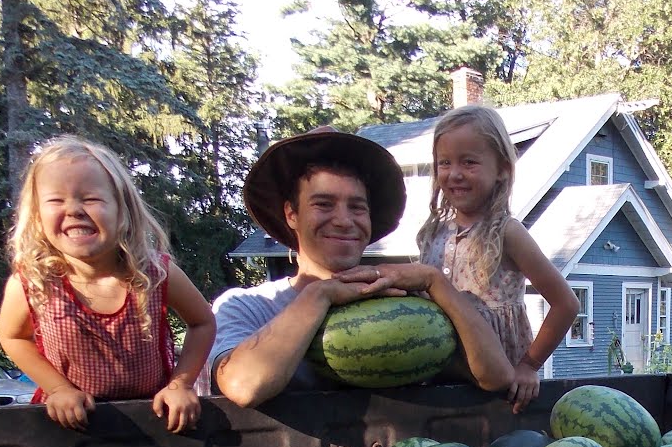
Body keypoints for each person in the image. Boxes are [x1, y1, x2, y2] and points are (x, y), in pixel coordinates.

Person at [208, 126, 516, 408]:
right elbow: (242, 385)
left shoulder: (405, 302)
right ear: (291, 214)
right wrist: (320, 295)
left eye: (357, 207)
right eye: (323, 205)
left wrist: (436, 282)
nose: (344, 220)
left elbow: (497, 377)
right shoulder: (246, 307)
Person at [0, 136, 215, 433]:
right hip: (71, 425)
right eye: (56, 200)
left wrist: (181, 384)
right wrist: (58, 388)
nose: (73, 209)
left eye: (90, 199)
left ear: (123, 211)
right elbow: (12, 337)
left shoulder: (156, 273)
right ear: (37, 215)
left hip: (154, 421)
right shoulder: (33, 281)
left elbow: (202, 322)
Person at [416, 105, 579, 413]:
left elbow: (566, 303)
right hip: (442, 381)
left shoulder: (506, 232)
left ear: (502, 168)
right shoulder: (433, 232)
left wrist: (529, 365)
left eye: (469, 162)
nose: (455, 173)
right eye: (445, 163)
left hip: (499, 390)